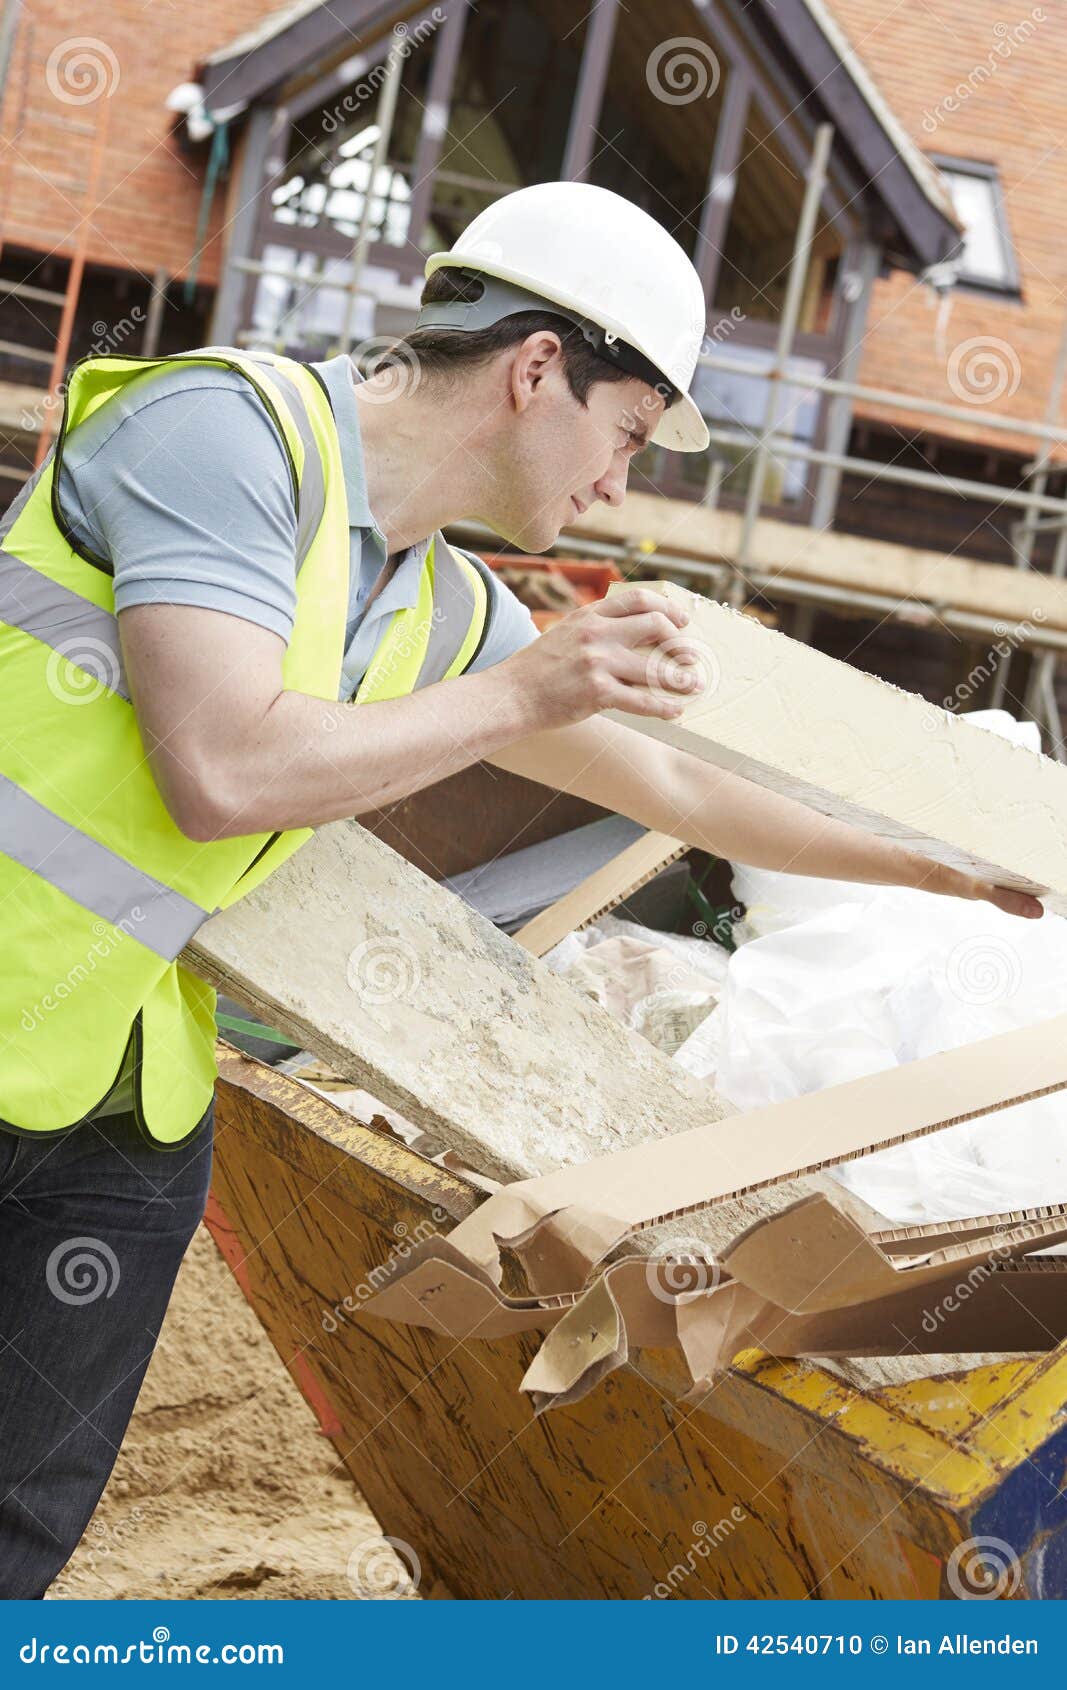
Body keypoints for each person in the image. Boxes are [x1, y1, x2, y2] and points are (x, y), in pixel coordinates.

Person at [0, 180, 1040, 1598]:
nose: (618, 483)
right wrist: (527, 686)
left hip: (126, 1088)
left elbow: (672, 787)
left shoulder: (442, 607)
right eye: (624, 436)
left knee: (22, 1518)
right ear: (539, 368)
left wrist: (940, 863)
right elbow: (224, 769)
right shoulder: (224, 433)